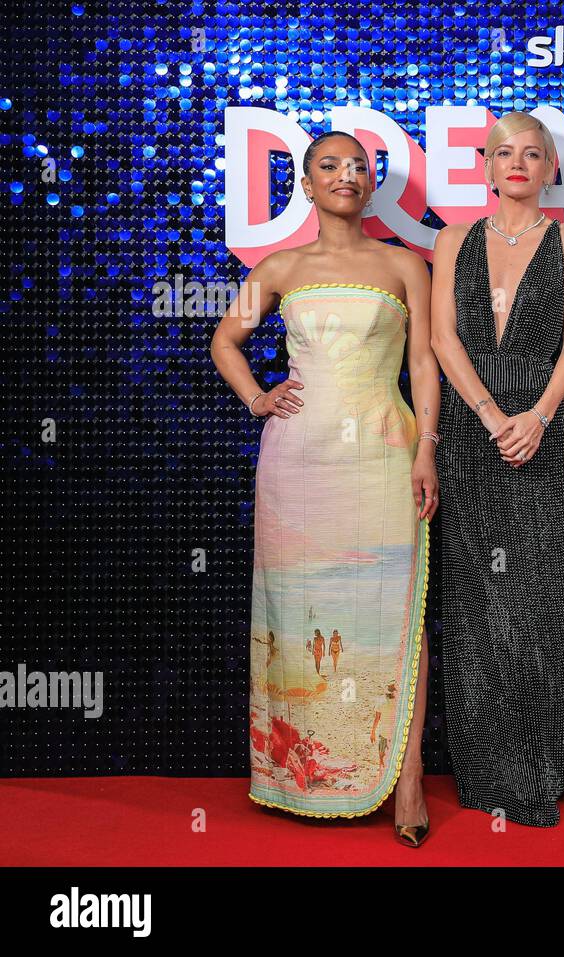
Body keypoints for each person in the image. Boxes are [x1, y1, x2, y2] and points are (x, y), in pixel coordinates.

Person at [210, 130, 438, 847]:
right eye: (329, 166)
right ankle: (297, 772)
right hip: (297, 462)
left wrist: (428, 447)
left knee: (397, 609)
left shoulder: (405, 264)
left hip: (383, 452)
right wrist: (256, 397)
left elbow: (426, 366)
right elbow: (224, 340)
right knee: (297, 611)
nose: (346, 174)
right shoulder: (279, 266)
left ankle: (406, 776)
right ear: (305, 185)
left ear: (372, 186)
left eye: (358, 166)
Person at [429, 110, 564, 827]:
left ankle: (538, 766)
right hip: (472, 433)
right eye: (504, 153)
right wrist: (493, 417)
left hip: (541, 426)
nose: (518, 163)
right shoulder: (452, 239)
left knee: (538, 600)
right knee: (474, 605)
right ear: (486, 166)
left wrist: (543, 415)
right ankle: (483, 765)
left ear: (551, 167)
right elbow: (440, 336)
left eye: (532, 153)